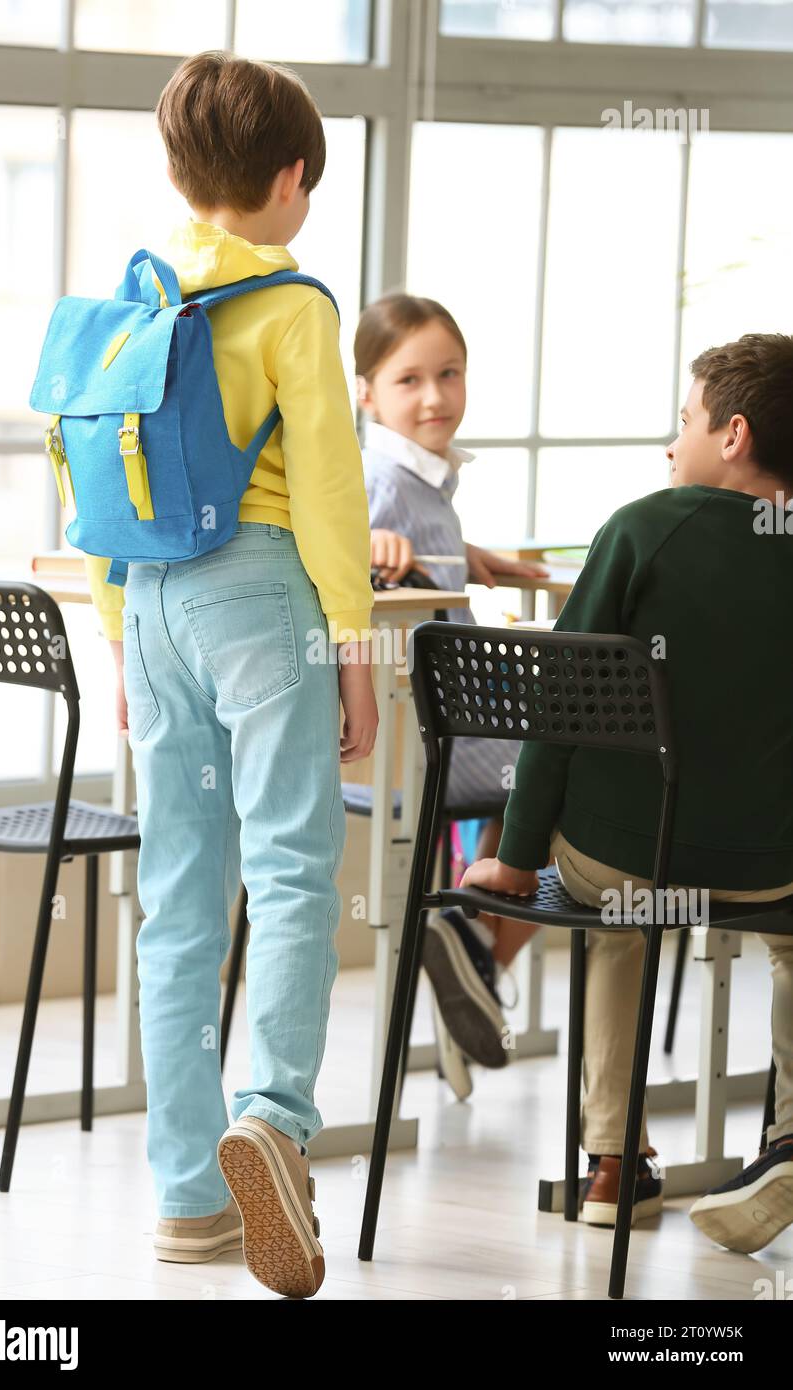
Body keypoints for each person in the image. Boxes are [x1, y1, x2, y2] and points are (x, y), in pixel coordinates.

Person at [82, 50, 377, 1298]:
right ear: (292, 176)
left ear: (176, 171)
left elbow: (92, 481)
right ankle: (275, 1121)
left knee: (178, 898)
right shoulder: (295, 305)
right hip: (263, 598)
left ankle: (188, 1200)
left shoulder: (132, 300)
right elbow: (325, 495)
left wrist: (117, 635)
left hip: (148, 602)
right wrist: (354, 649)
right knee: (296, 869)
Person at [462, 333, 793, 1248]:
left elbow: (558, 713)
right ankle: (792, 1137)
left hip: (625, 857)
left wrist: (518, 861)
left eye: (683, 420)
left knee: (623, 912)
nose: (670, 442)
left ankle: (613, 1162)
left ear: (732, 433)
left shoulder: (643, 527)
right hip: (770, 870)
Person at [354, 291, 548, 1079]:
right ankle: (477, 947)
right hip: (422, 739)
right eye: (409, 381)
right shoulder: (380, 481)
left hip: (441, 727)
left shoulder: (422, 477)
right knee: (576, 777)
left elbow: (411, 536)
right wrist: (369, 544)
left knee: (545, 772)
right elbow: (349, 542)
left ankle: (470, 946)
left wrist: (466, 553)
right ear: (364, 392)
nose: (435, 396)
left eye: (450, 374)